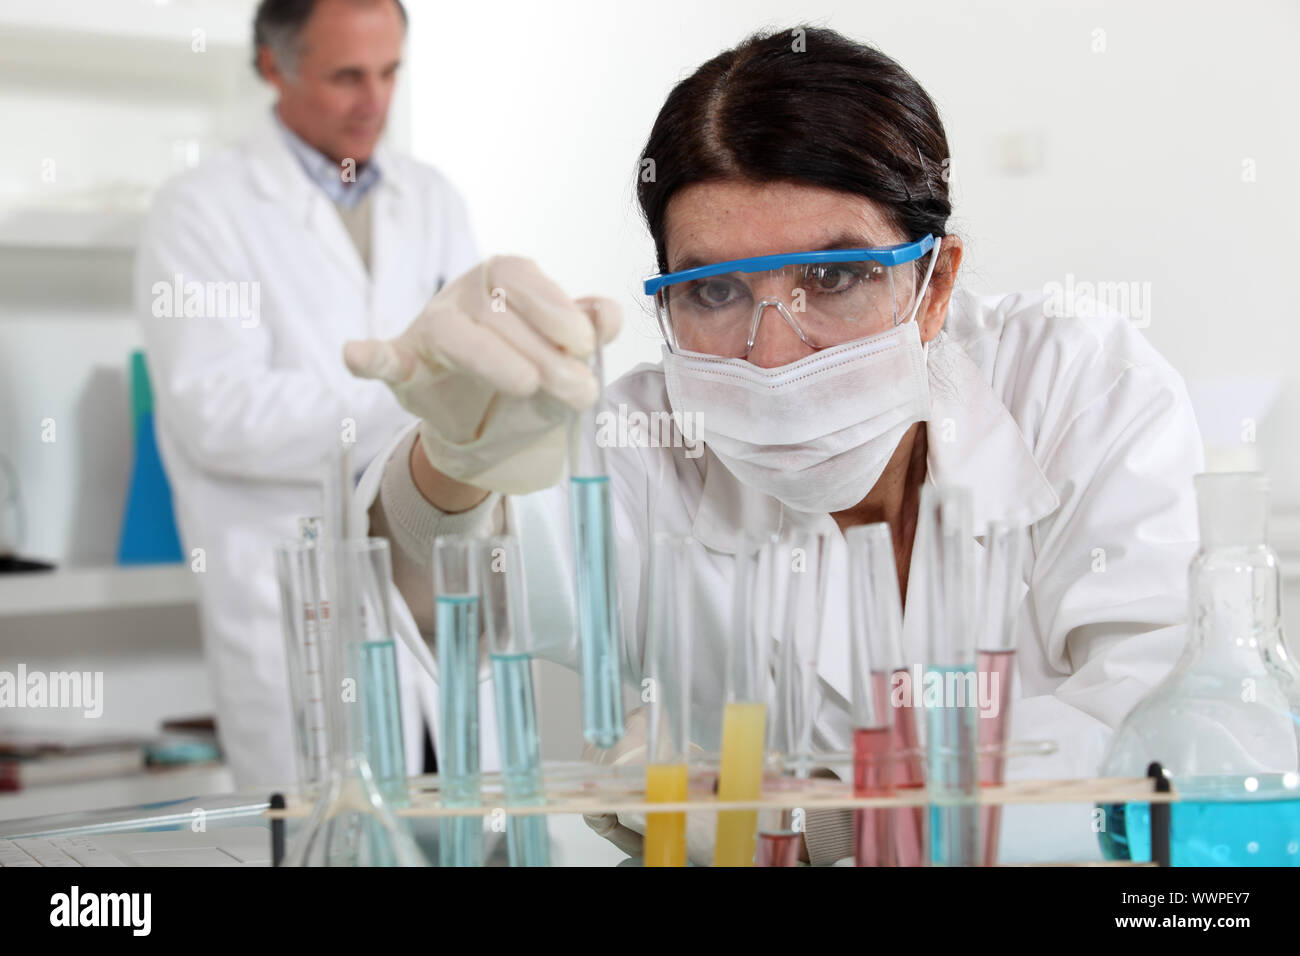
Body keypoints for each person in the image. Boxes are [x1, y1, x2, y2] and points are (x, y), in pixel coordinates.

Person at [344, 27, 1202, 864]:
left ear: (934, 284)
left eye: (831, 278)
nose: (776, 353)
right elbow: (434, 601)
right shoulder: (649, 441)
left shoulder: (1078, 386)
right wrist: (450, 467)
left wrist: (827, 818)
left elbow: (1163, 735)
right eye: (713, 289)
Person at [135, 0, 478, 789]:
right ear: (272, 67)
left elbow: (471, 365)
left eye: (390, 71)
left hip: (434, 611)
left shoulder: (431, 199)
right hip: (297, 623)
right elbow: (214, 410)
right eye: (346, 76)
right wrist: (420, 404)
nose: (375, 101)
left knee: (467, 835)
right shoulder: (200, 211)